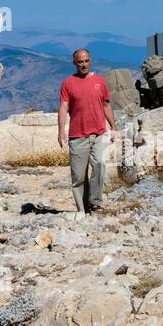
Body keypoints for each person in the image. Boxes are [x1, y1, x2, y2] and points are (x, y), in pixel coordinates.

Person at [58, 49, 116, 219]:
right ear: (74, 63)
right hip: (77, 135)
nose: (83, 64)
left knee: (100, 164)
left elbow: (106, 105)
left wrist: (113, 127)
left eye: (86, 61)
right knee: (78, 175)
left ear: (90, 61)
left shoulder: (99, 81)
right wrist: (61, 130)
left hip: (98, 133)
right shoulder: (68, 83)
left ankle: (95, 202)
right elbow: (63, 107)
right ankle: (82, 209)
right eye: (80, 62)